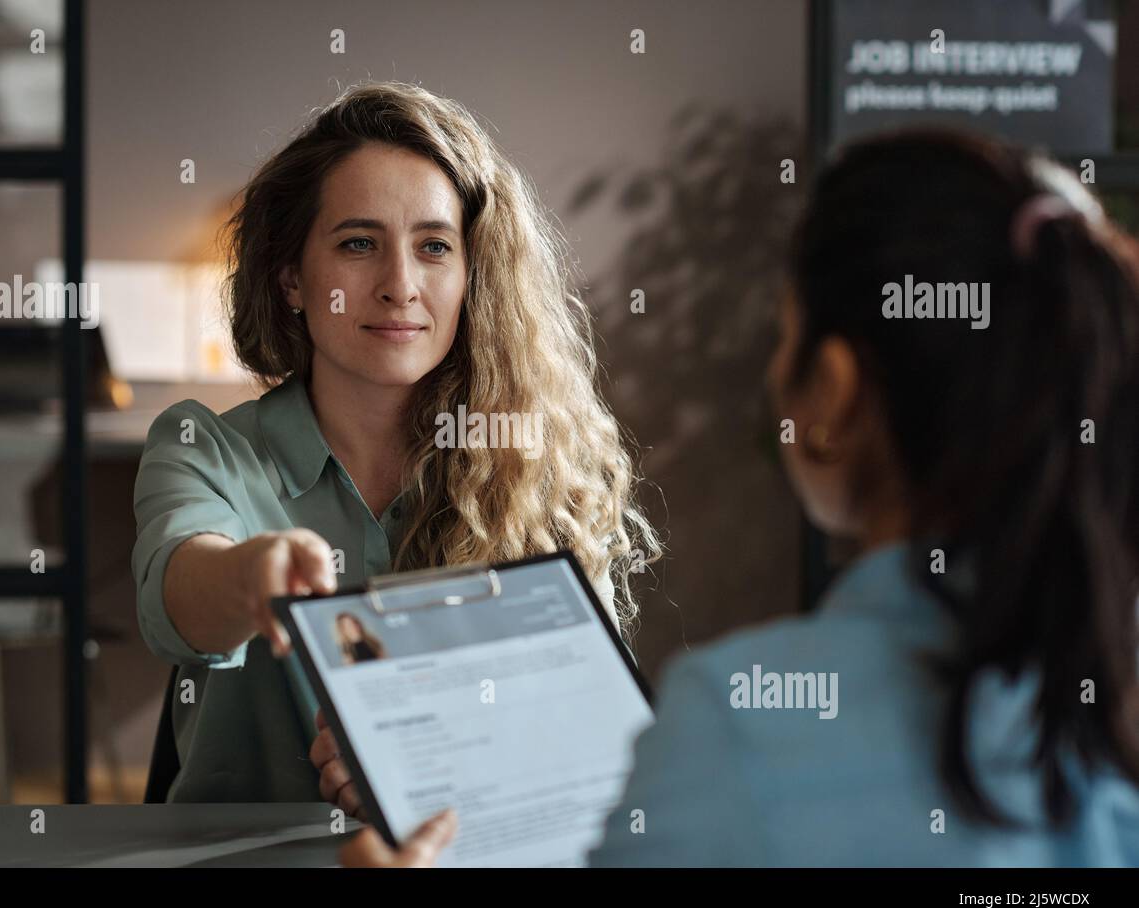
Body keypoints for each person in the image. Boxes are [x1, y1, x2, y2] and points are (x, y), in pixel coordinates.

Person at [341, 128, 1139, 866]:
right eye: (358, 244)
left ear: (833, 391)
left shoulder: (735, 724)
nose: (400, 285)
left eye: (785, 333)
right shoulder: (1102, 709)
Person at [131, 81, 661, 807]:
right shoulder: (205, 448)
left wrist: (444, 766)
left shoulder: (536, 467)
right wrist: (251, 578)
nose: (400, 285)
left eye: (434, 247)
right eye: (358, 244)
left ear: (472, 277)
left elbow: (593, 739)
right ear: (292, 278)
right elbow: (178, 594)